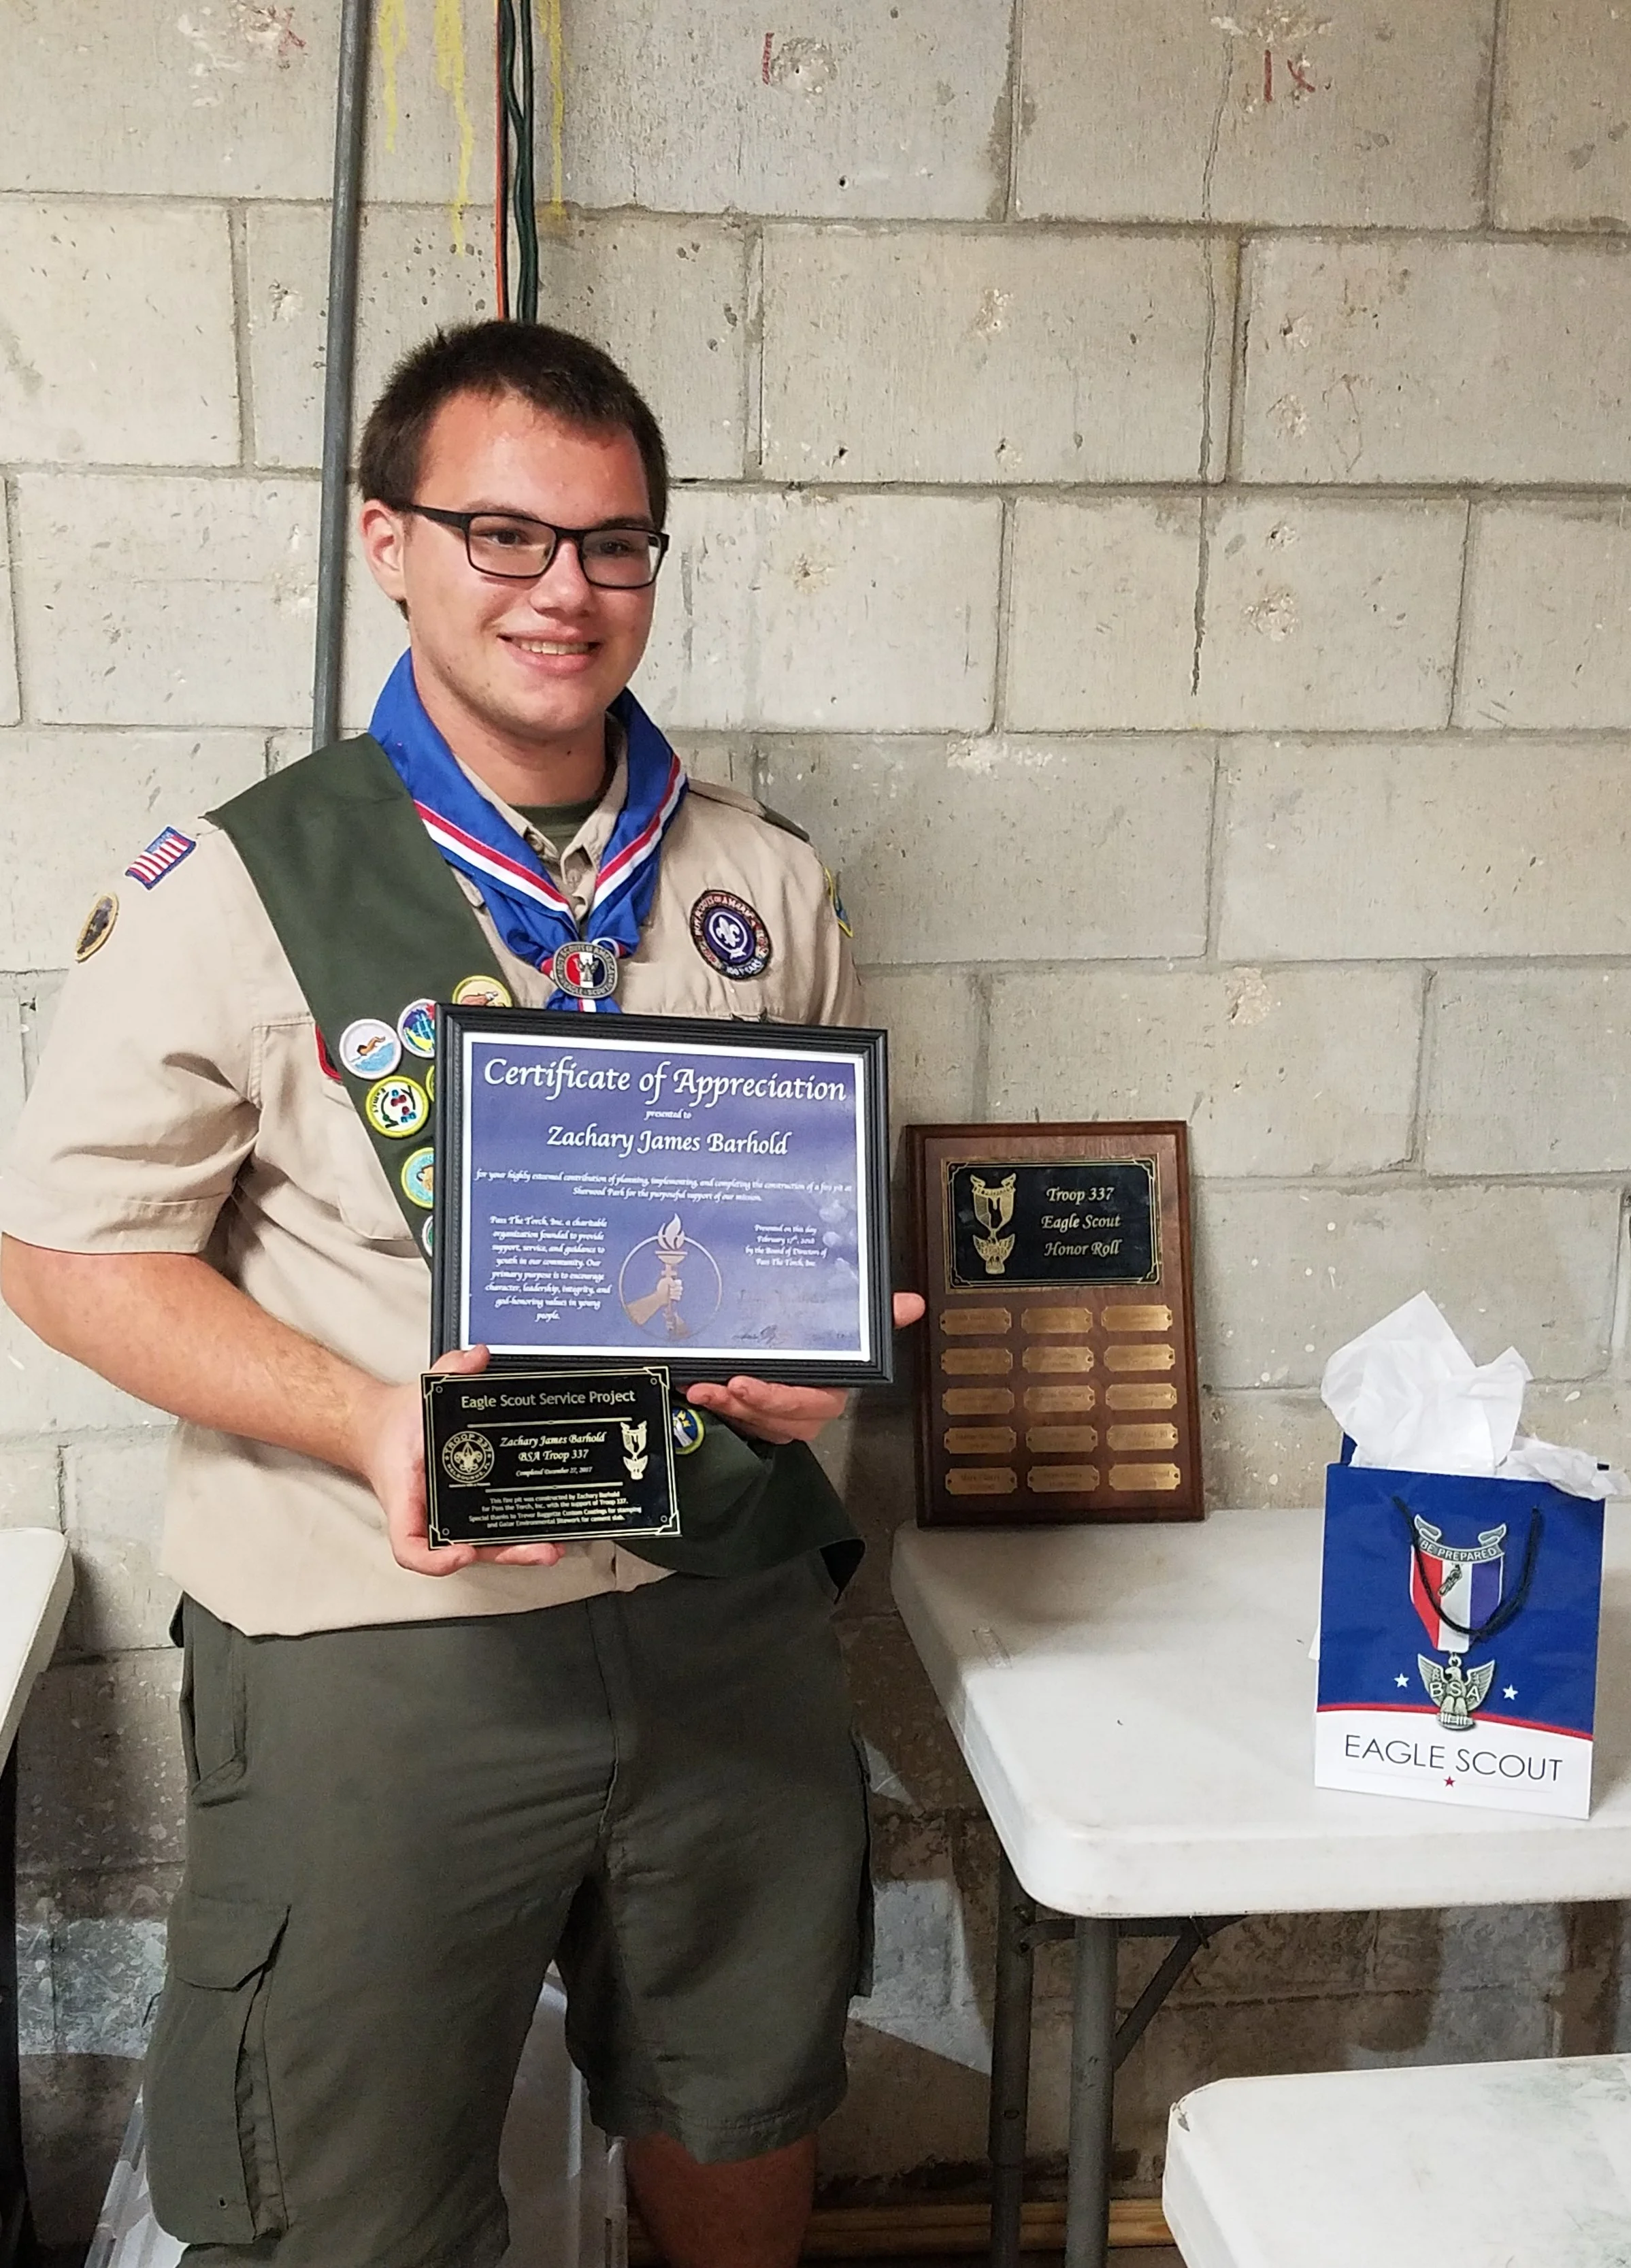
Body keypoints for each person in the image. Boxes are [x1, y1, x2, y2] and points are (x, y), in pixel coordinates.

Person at [0, 321, 923, 2268]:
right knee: (346, 2197)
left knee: (744, 2101)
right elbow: (65, 1251)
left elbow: (794, 1236)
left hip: (716, 1606)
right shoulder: (236, 886)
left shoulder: (758, 881)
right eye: (502, 535)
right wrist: (365, 1412)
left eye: (613, 545)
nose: (562, 592)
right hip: (379, 1627)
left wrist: (815, 1375)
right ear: (386, 540)